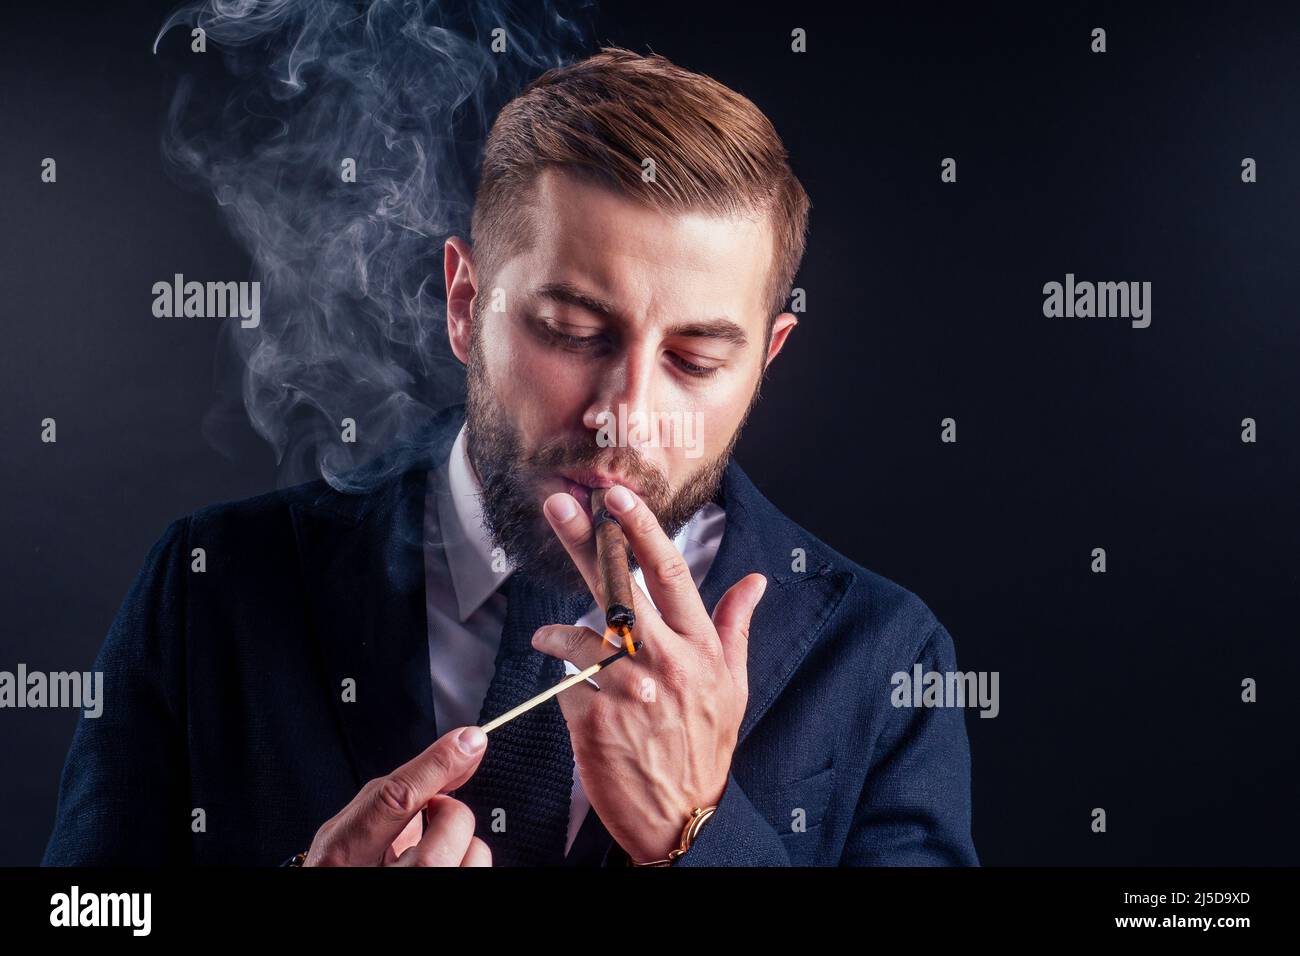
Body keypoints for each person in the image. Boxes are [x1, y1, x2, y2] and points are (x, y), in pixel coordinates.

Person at [43, 47, 977, 867]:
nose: (624, 419)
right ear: (465, 303)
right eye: (571, 330)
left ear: (766, 361)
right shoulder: (209, 586)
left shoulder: (881, 654)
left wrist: (696, 835)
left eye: (695, 359)